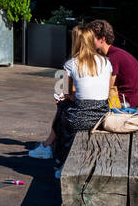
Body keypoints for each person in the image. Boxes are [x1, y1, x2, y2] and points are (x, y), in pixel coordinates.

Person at [27, 24, 113, 176]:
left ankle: (60, 162)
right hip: (102, 116)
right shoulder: (106, 62)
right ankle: (52, 152)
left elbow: (65, 92)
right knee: (67, 112)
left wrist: (70, 97)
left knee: (63, 113)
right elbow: (105, 92)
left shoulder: (70, 64)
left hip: (80, 117)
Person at [91, 19, 138, 110]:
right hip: (134, 98)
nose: (87, 41)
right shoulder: (117, 53)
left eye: (90, 38)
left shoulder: (112, 58)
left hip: (126, 101)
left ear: (102, 39)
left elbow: (107, 88)